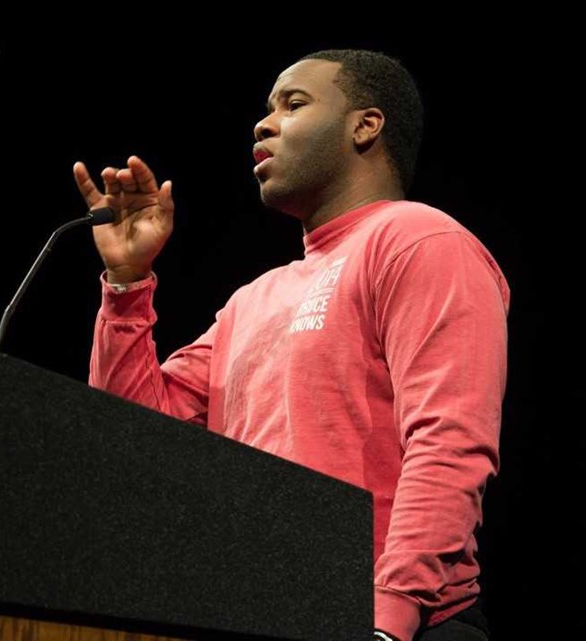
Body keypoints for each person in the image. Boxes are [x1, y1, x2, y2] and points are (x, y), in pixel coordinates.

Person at [74, 50, 507, 641]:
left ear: (366, 125)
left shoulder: (419, 240)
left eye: (293, 104)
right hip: (261, 614)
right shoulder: (252, 301)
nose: (263, 124)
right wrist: (126, 284)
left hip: (395, 623)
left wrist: (389, 619)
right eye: (265, 108)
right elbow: (134, 439)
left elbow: (449, 442)